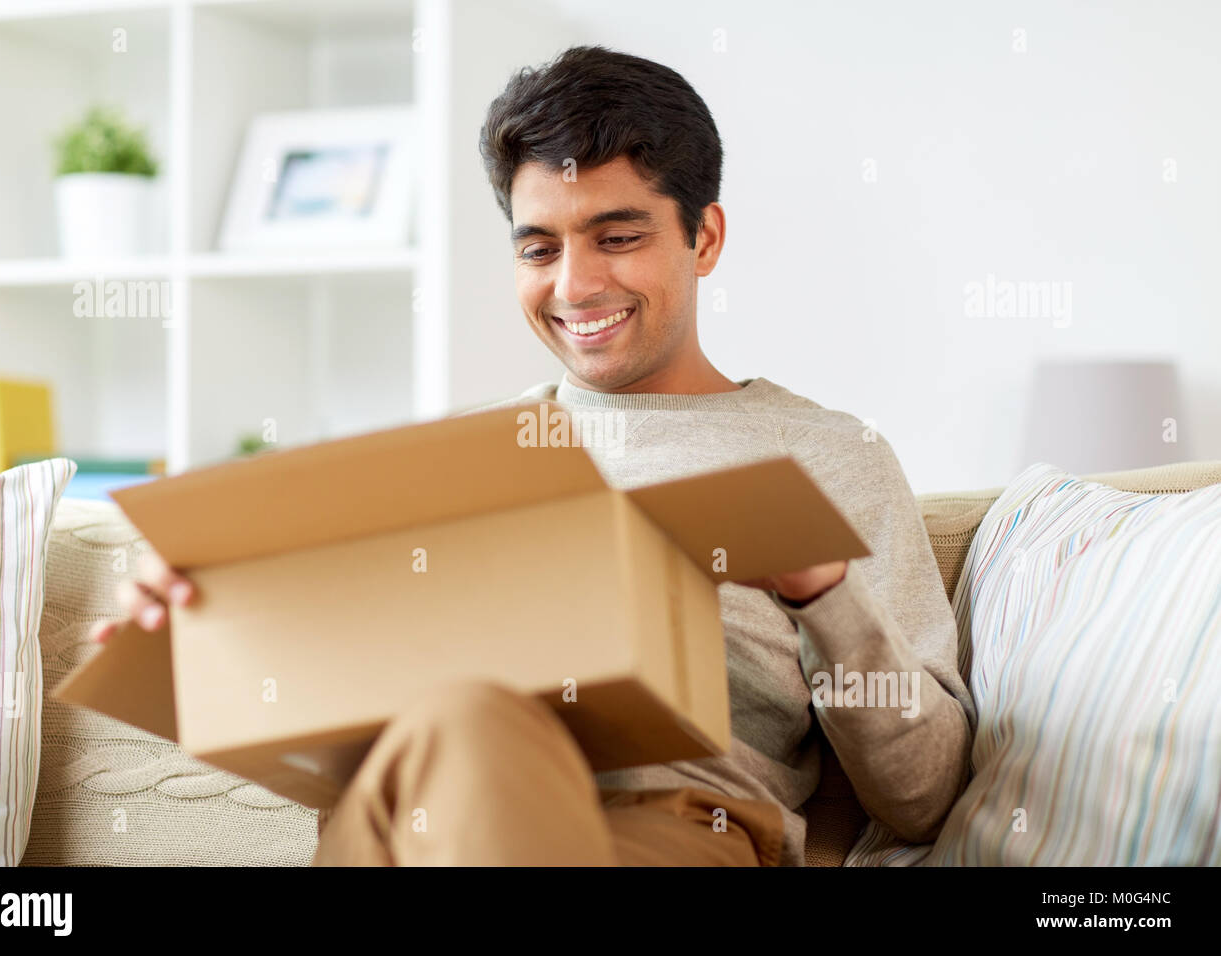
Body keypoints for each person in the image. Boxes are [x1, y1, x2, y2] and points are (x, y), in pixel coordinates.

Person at [89, 44, 975, 867]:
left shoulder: (828, 456)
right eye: (539, 248)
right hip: (411, 822)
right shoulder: (456, 460)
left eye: (617, 237)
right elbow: (329, 730)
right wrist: (209, 629)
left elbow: (926, 795)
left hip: (664, 834)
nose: (575, 286)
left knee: (474, 717)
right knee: (466, 719)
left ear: (703, 238)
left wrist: (824, 592)